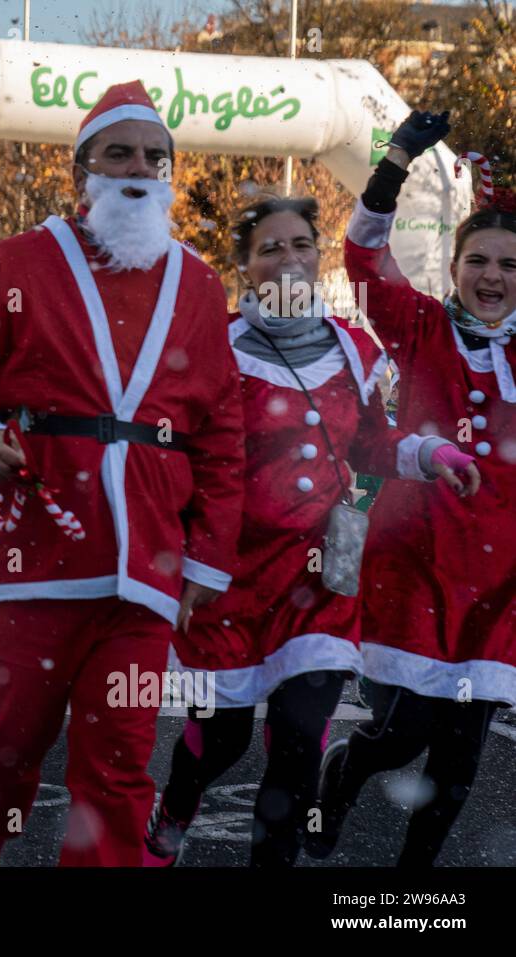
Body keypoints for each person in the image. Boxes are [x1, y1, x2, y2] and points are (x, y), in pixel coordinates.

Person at [0, 80, 247, 866]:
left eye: (154, 157)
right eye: (119, 152)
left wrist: (207, 559)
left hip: (144, 572)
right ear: (81, 171)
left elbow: (223, 434)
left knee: (121, 763)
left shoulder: (197, 282)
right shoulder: (9, 263)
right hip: (29, 552)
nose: (138, 168)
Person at [144, 195, 480, 867]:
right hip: (227, 579)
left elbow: (371, 445)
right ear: (245, 267)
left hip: (319, 580)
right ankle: (175, 805)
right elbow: (174, 456)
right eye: (271, 248)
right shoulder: (216, 352)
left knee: (298, 743)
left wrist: (430, 454)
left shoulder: (353, 351)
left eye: (302, 244)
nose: (291, 259)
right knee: (223, 739)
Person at [311, 109, 516, 866]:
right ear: (456, 268)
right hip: (418, 563)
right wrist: (397, 158)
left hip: (499, 582)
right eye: (480, 262)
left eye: (510, 265)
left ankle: (412, 895)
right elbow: (363, 257)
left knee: (460, 759)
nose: (493, 277)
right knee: (406, 734)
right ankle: (344, 771)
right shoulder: (423, 326)